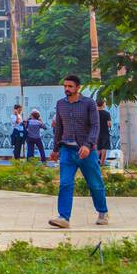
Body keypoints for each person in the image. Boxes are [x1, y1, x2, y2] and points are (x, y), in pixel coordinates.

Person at [48, 75, 110, 228]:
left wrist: (88, 145)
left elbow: (96, 126)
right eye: (65, 86)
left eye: (70, 86)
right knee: (65, 184)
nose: (67, 89)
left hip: (87, 152)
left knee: (95, 184)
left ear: (78, 87)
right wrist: (55, 149)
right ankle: (63, 217)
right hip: (67, 151)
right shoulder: (60, 104)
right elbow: (59, 128)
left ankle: (103, 212)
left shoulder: (88, 103)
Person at [96, 96, 112, 166]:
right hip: (105, 133)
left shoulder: (94, 113)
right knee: (104, 148)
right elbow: (109, 124)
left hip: (96, 133)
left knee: (97, 148)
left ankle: (95, 162)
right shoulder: (106, 113)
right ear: (103, 104)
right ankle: (102, 162)